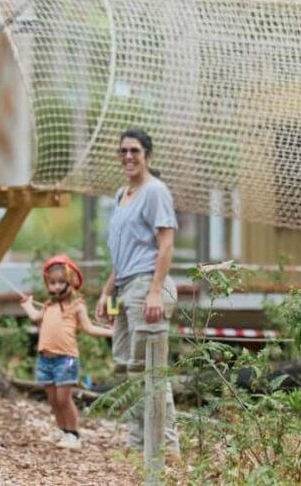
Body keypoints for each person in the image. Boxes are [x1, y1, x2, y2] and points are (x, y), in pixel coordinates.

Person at [94, 128, 180, 455]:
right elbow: (122, 253)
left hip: (147, 285)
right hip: (126, 286)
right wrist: (105, 293)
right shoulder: (121, 194)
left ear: (147, 155)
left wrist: (155, 292)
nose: (128, 157)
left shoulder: (155, 191)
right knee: (125, 368)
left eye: (135, 151)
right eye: (123, 151)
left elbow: (166, 244)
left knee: (151, 369)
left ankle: (166, 449)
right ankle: (137, 441)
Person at [20, 255, 113, 450]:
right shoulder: (48, 305)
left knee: (64, 398)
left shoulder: (77, 305)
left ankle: (73, 434)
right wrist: (27, 305)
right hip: (46, 359)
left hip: (66, 360)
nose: (55, 286)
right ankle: (62, 430)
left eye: (61, 282)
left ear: (70, 282)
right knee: (53, 400)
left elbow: (88, 328)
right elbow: (36, 317)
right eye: (52, 282)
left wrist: (111, 332)